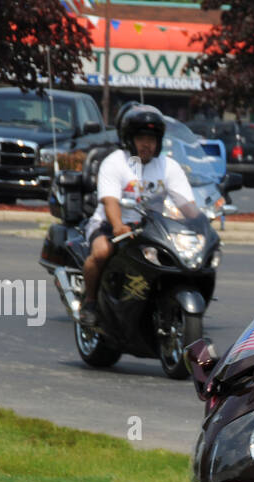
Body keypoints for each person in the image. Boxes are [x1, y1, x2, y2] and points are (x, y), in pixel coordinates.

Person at [80, 103, 195, 328]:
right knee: (102, 252)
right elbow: (110, 201)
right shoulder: (115, 162)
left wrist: (199, 223)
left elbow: (187, 204)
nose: (147, 144)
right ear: (130, 139)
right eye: (142, 138)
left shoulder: (168, 166)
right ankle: (90, 301)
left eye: (152, 139)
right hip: (108, 224)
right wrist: (118, 226)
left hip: (152, 226)